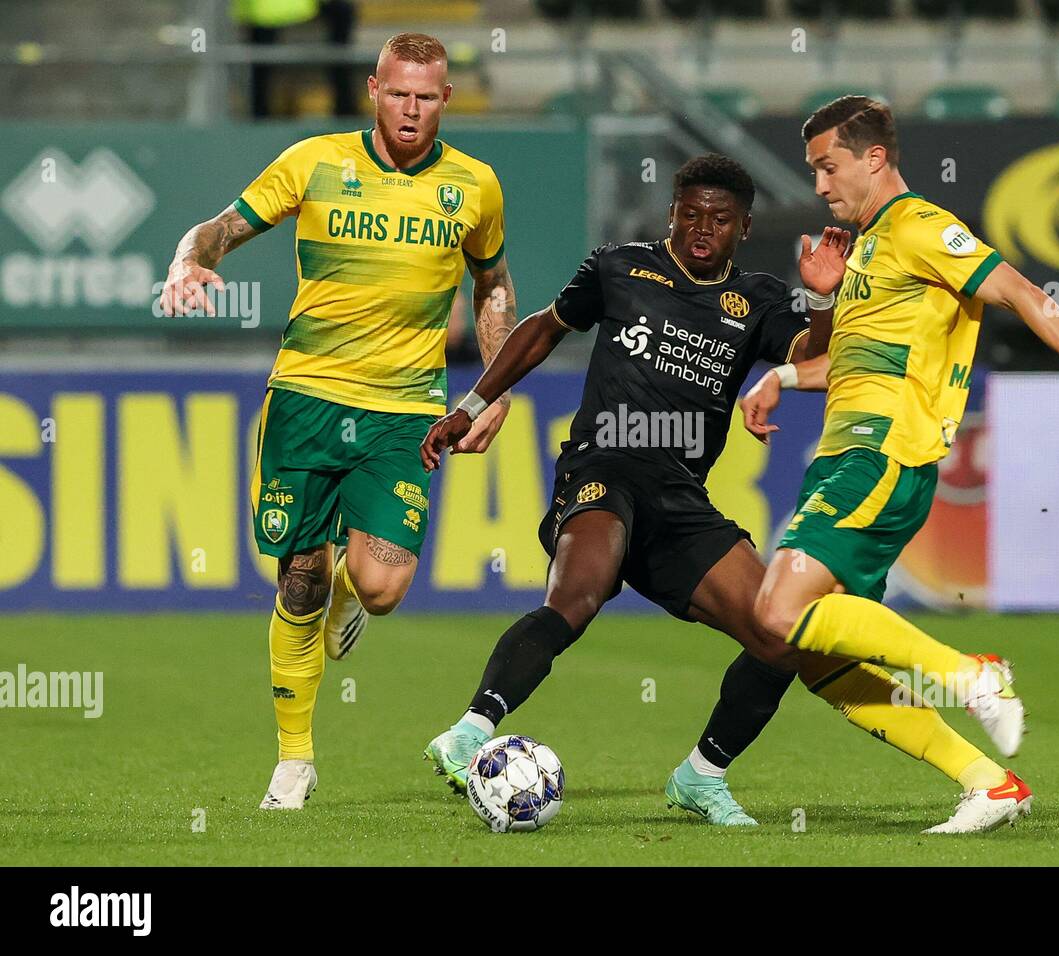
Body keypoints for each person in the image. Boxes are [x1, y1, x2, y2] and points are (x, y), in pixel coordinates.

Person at [740, 96, 1059, 833]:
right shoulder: (870, 247)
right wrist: (784, 371)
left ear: (873, 158)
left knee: (775, 611)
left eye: (828, 167)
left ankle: (971, 675)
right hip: (846, 456)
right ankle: (988, 783)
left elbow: (1025, 294)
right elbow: (854, 361)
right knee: (809, 654)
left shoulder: (921, 228)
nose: (819, 186)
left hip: (878, 456)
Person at [420, 154, 854, 826]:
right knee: (578, 595)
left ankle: (701, 776)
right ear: (672, 213)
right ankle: (471, 730)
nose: (701, 228)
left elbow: (816, 362)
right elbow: (542, 329)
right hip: (604, 466)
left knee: (782, 636)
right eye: (690, 214)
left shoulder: (760, 298)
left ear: (743, 227)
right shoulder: (619, 266)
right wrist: (472, 405)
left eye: (719, 218)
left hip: (680, 497)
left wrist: (823, 298)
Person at [157, 32, 517, 810]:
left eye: (426, 96)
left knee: (381, 585)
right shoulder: (314, 161)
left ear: (446, 100)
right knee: (301, 578)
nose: (411, 109)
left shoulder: (475, 185)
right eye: (398, 93)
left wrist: (496, 385)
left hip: (404, 410)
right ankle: (295, 760)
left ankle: (352, 601)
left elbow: (492, 284)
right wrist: (193, 261)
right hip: (307, 399)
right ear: (373, 90)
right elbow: (221, 226)